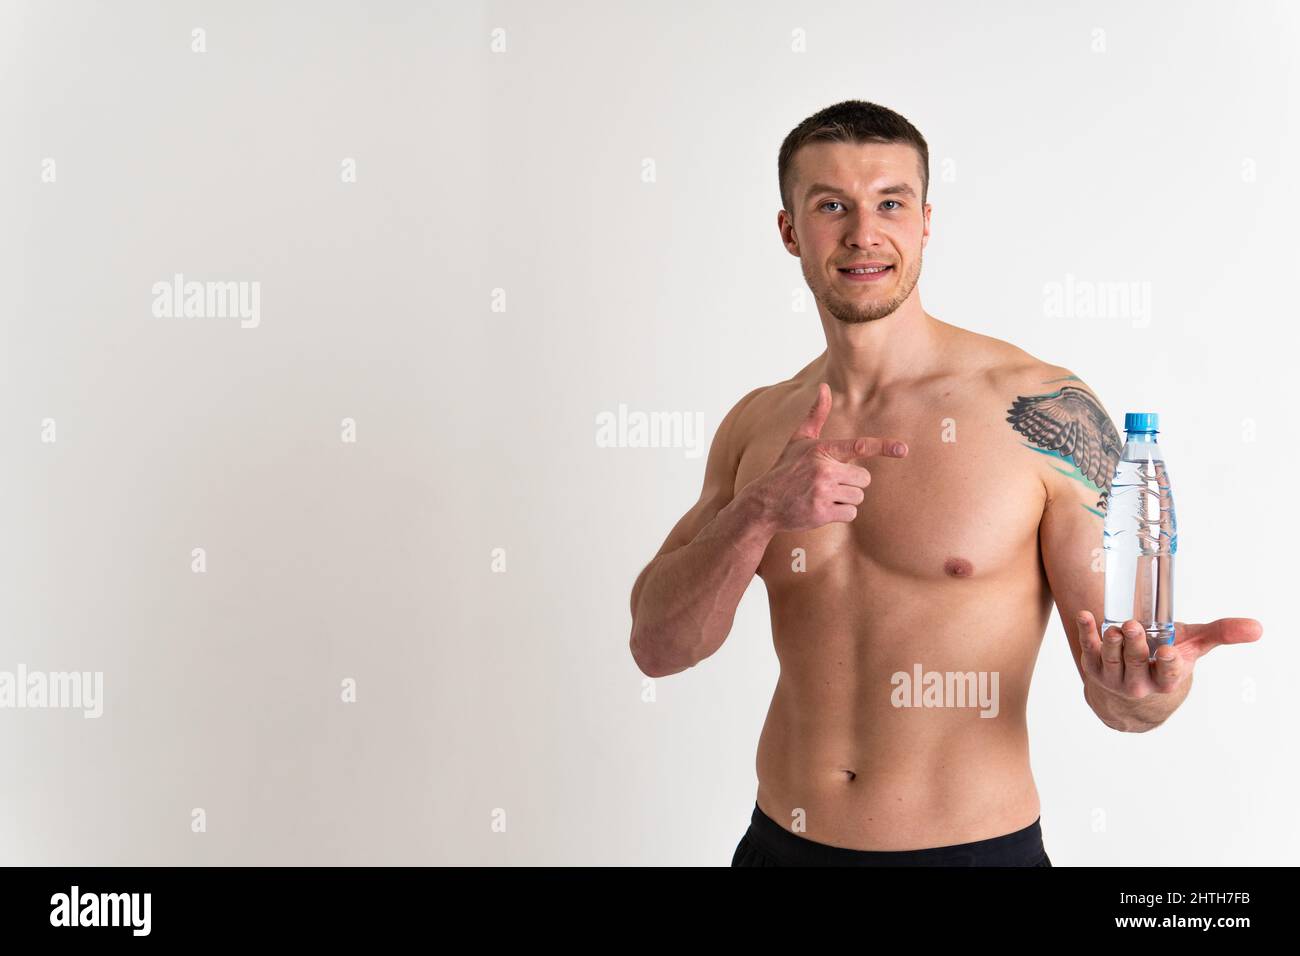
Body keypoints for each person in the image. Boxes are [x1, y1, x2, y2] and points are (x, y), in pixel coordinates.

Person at [627, 100, 1263, 867]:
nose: (865, 232)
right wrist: (759, 510)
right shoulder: (759, 424)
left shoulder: (1041, 413)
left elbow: (1120, 692)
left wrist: (1150, 690)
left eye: (890, 203)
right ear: (790, 231)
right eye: (832, 206)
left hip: (971, 854)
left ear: (926, 221)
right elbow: (659, 647)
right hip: (779, 846)